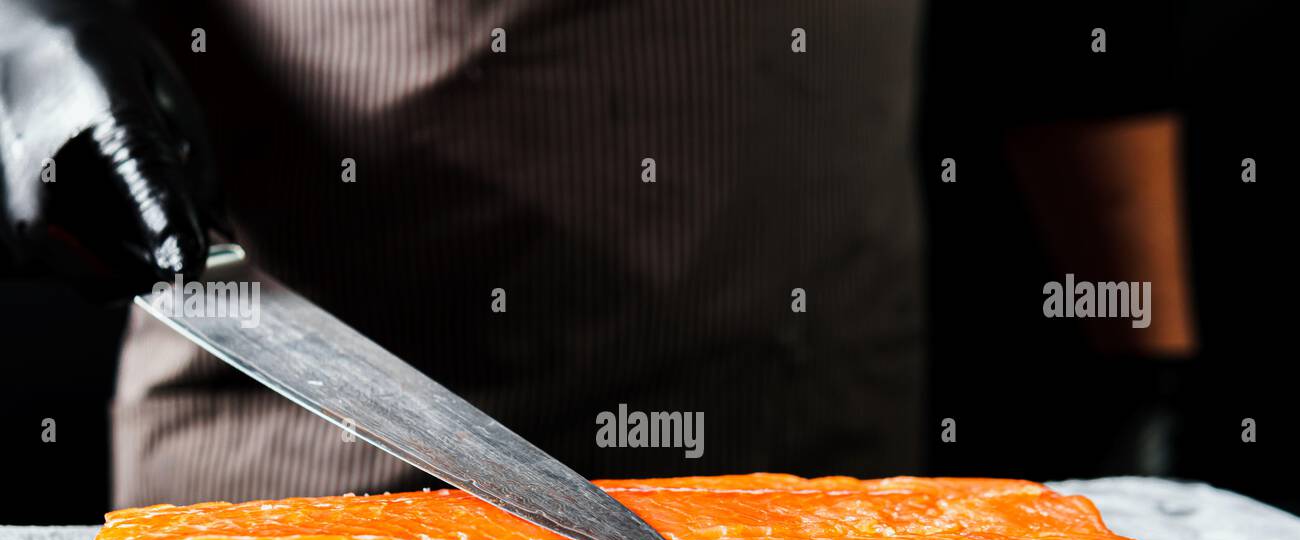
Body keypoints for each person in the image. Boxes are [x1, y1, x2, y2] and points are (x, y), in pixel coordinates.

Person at [0, 0, 1195, 508]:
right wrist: (25, 36)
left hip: (818, 445)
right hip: (318, 467)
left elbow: (1079, 37)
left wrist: (1141, 369)